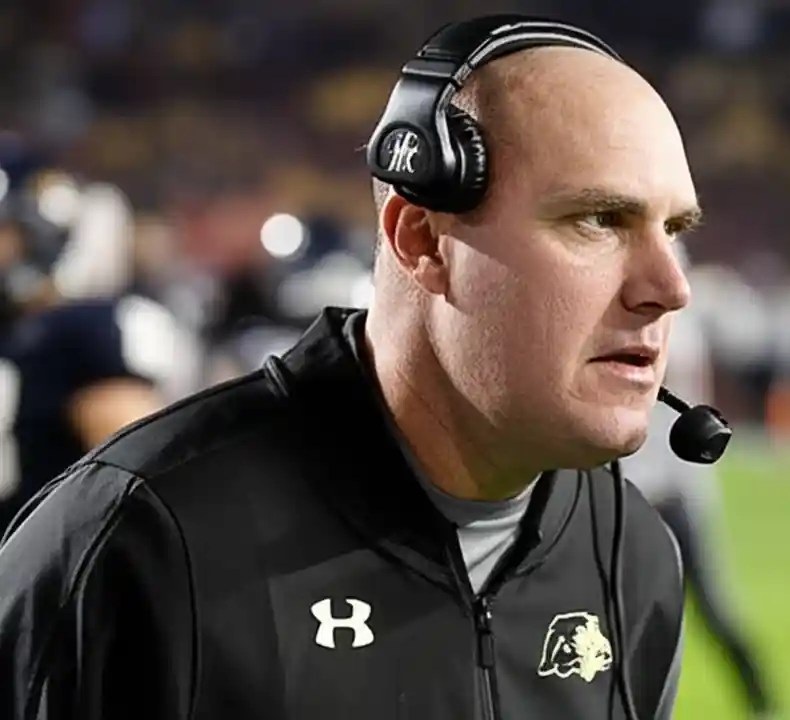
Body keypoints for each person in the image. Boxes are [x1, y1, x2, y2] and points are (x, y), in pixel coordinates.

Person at [0, 15, 706, 720]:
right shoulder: (143, 541)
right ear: (424, 239)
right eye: (600, 220)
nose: (670, 287)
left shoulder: (630, 554)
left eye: (672, 230)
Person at [623, 243, 775, 719]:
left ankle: (759, 697)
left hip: (664, 490)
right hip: (659, 488)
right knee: (646, 616)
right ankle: (760, 699)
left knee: (677, 611)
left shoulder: (670, 333)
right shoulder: (684, 329)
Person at [0, 172, 188, 531]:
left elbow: (148, 473)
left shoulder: (81, 329)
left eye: (10, 240)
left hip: (60, 565)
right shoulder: (19, 334)